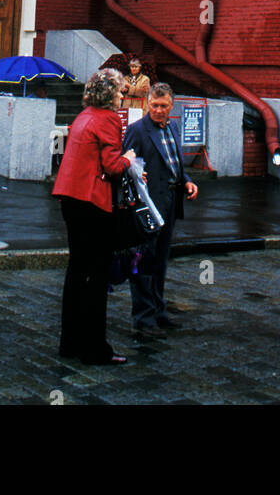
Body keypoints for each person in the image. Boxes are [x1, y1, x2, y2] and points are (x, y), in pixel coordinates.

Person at [51, 68, 137, 365]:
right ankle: (95, 349)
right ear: (111, 93)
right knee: (98, 275)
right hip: (93, 203)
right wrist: (130, 158)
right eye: (120, 91)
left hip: (69, 198)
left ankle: (70, 342)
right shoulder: (109, 119)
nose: (122, 95)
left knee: (76, 271)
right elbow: (112, 166)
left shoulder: (83, 116)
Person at [123, 83, 198, 337]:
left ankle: (158, 309)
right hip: (148, 206)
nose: (158, 110)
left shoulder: (173, 127)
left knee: (161, 260)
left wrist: (186, 180)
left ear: (171, 106)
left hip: (170, 202)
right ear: (147, 104)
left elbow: (174, 162)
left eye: (163, 106)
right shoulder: (137, 131)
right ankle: (143, 318)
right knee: (144, 260)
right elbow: (126, 164)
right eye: (154, 105)